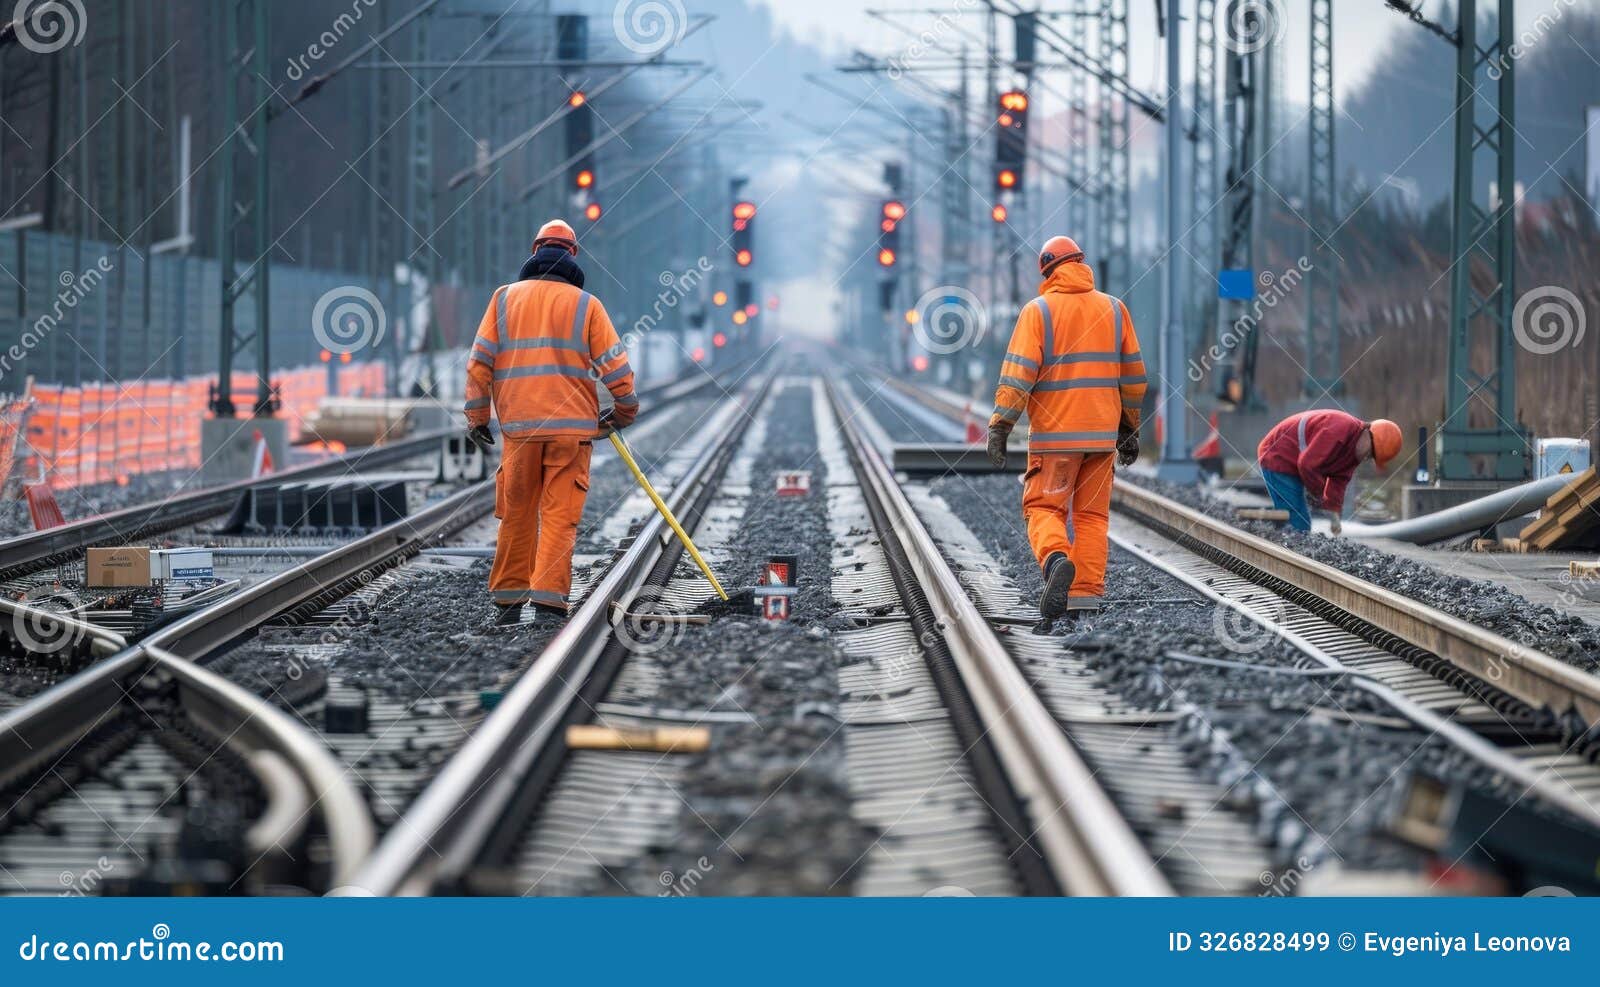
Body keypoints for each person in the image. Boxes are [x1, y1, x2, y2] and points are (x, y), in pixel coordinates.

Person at [464, 220, 639, 627]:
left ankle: (508, 603)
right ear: (572, 255)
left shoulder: (503, 300)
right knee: (560, 516)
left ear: (535, 249)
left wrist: (477, 418)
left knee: (517, 514)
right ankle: (548, 603)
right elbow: (616, 368)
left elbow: (479, 363)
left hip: (520, 431)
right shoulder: (586, 305)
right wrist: (623, 412)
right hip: (571, 434)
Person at [986, 236, 1146, 627]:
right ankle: (1084, 598)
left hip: (1056, 439)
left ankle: (1056, 560)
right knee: (1092, 516)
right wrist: (1129, 428)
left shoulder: (1038, 311)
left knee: (1043, 507)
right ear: (1080, 262)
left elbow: (1018, 375)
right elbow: (1134, 378)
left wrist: (1001, 425)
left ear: (1047, 271)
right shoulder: (1114, 308)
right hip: (1101, 438)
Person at [1256, 410, 1401, 534]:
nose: (1366, 458)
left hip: (1292, 459)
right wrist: (1318, 494)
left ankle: (1292, 548)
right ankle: (1289, 555)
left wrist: (1334, 516)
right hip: (1276, 453)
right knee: (1297, 519)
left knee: (1299, 521)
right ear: (1368, 435)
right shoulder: (1338, 430)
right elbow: (1307, 465)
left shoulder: (1352, 455)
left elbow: (1338, 483)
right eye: (1370, 454)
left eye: (1370, 458)